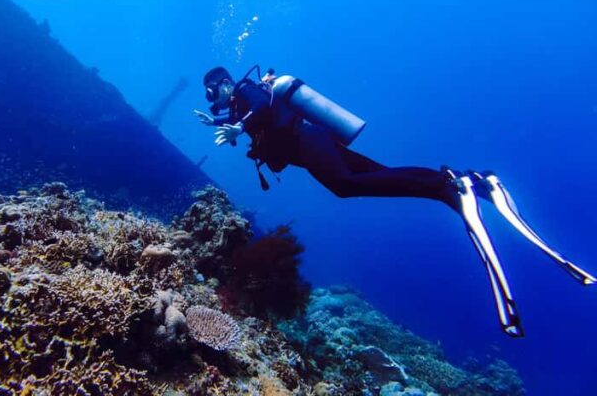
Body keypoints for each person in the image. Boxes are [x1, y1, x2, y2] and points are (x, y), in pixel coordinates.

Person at [195, 65, 595, 337]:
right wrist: (223, 122)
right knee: (374, 175)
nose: (213, 97)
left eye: (213, 90)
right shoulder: (238, 107)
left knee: (346, 185)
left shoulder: (248, 93)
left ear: (224, 83)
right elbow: (261, 125)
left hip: (309, 141)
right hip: (309, 144)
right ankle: (461, 185)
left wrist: (236, 126)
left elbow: (264, 109)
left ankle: (451, 183)